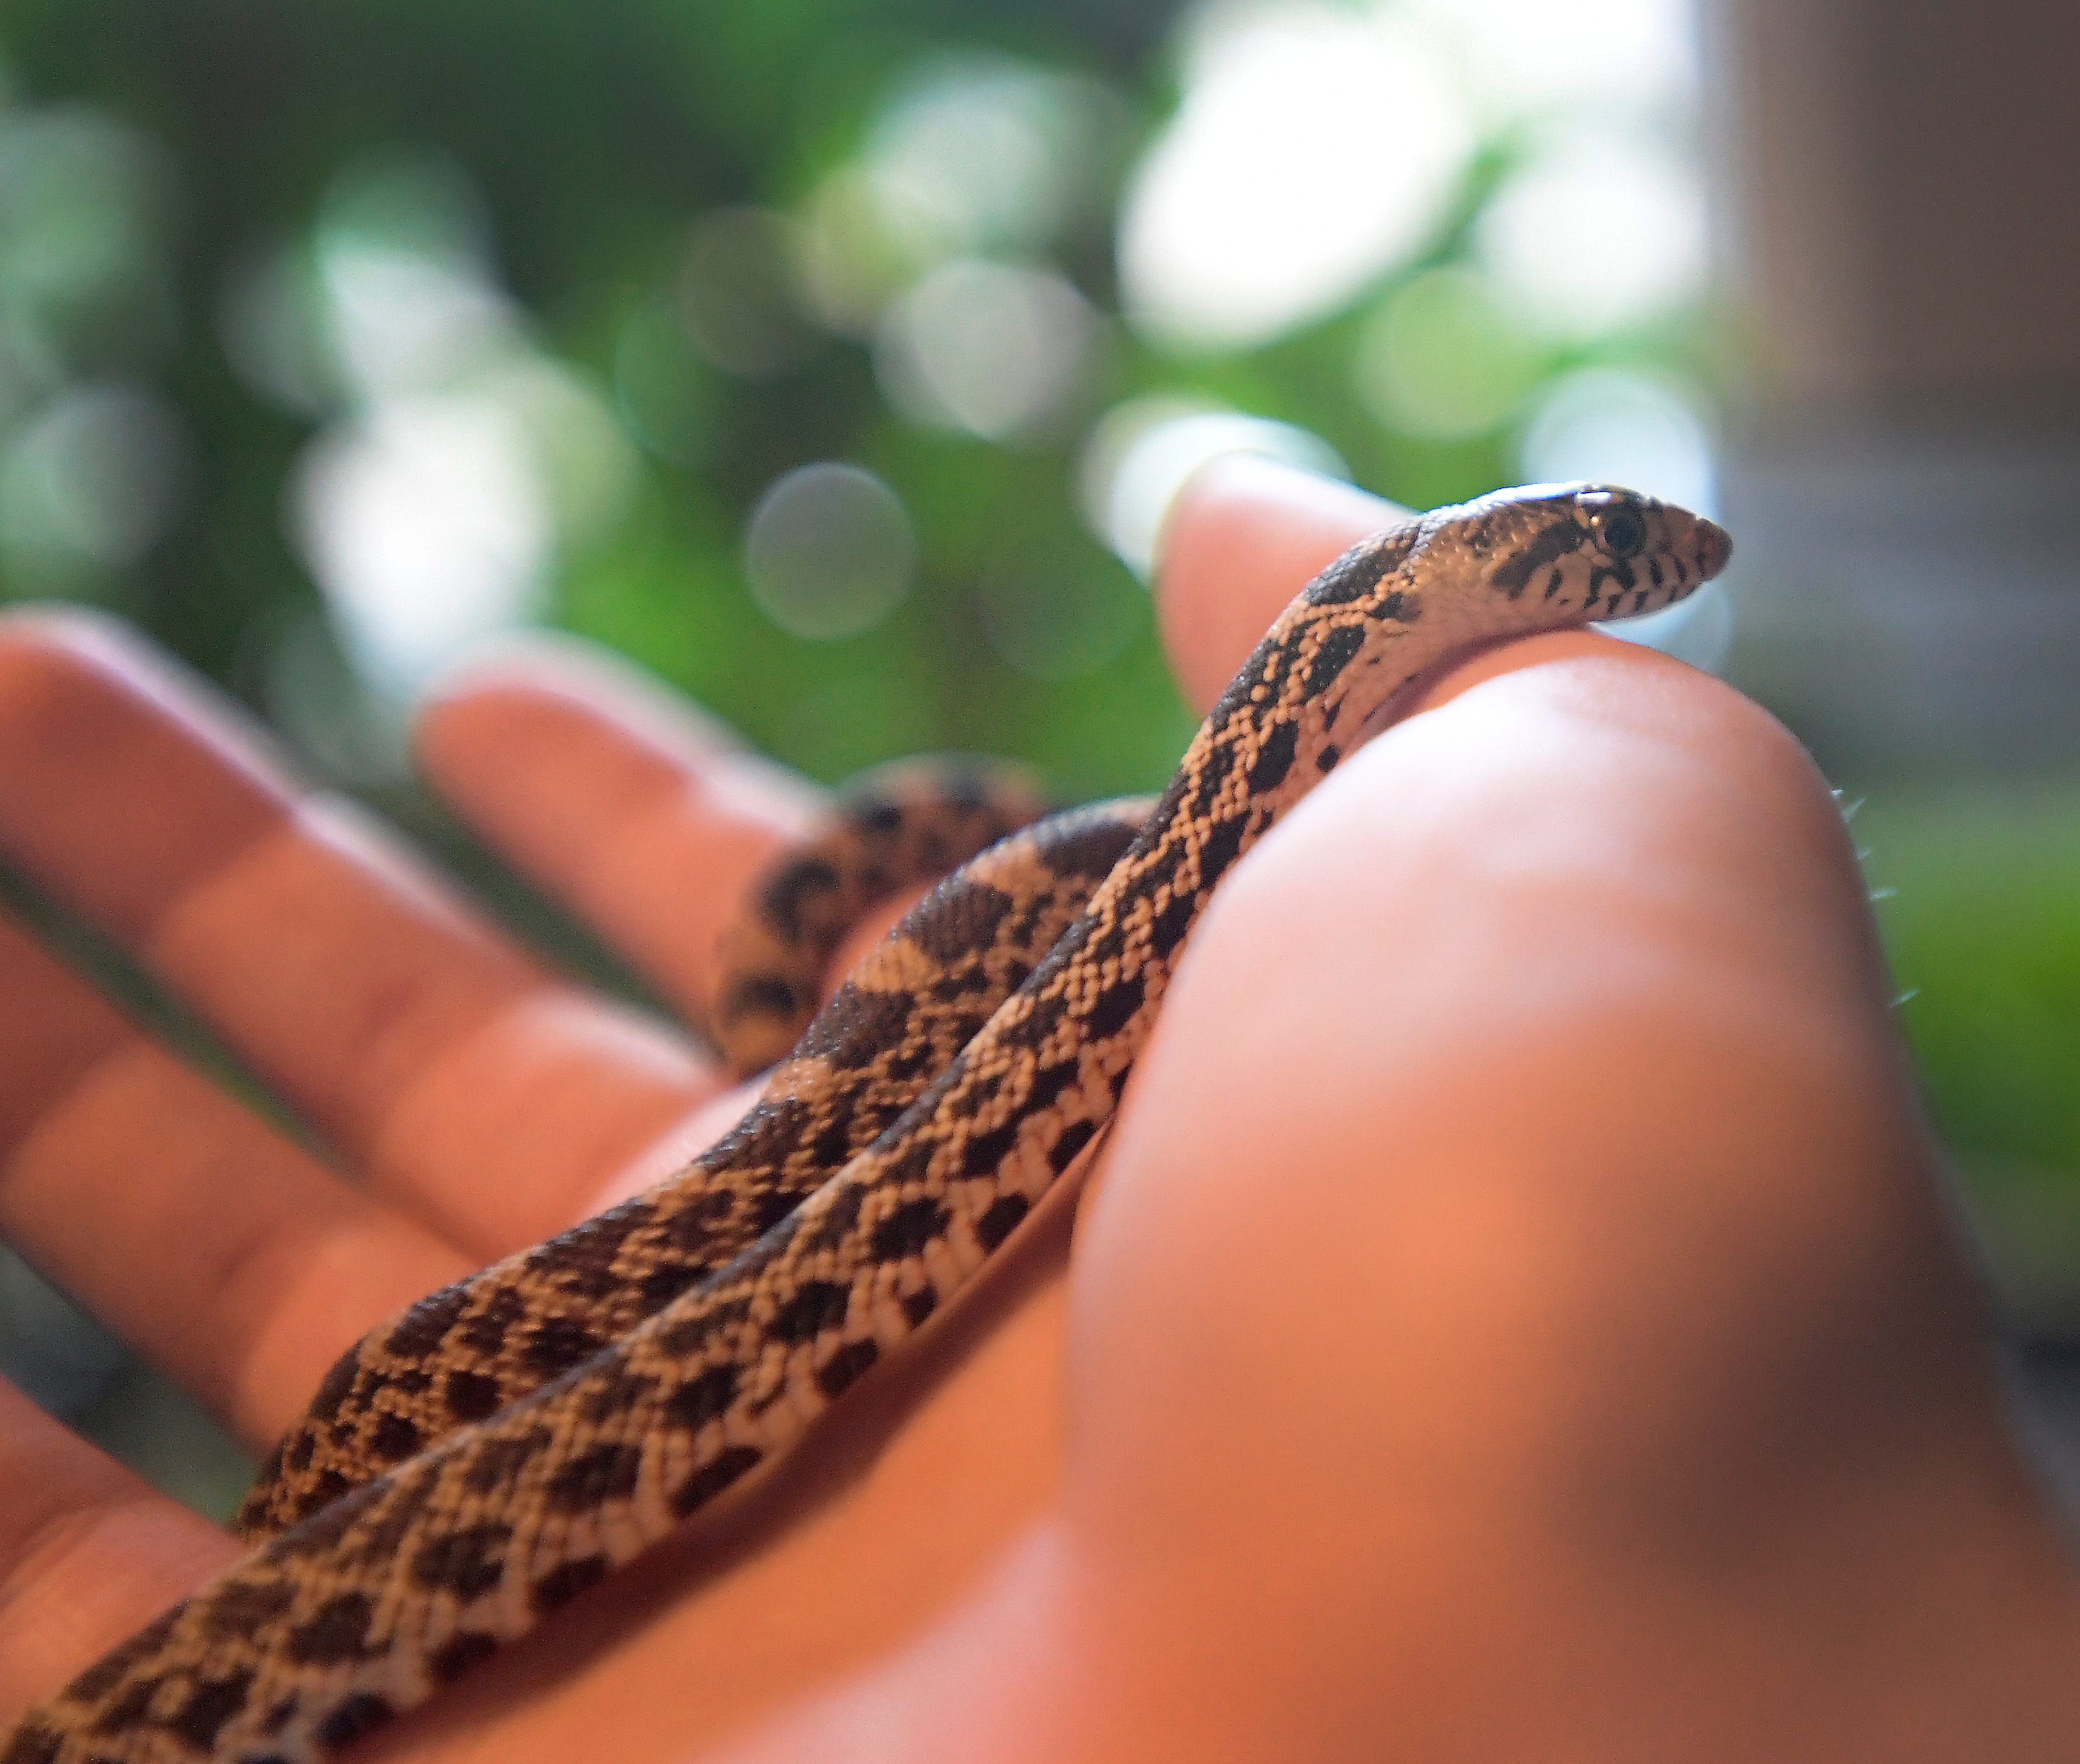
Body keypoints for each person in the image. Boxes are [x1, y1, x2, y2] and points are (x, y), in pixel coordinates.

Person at [0, 456, 2075, 1763]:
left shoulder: (1256, 804)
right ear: (1415, 600)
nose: (1651, 565)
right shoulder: (1261, 744)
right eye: (1610, 545)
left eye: (1628, 546)